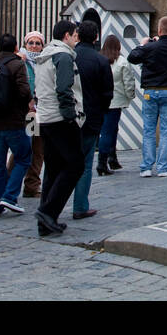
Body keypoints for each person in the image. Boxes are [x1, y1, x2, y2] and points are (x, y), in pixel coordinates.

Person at [34, 19, 84, 236]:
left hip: (45, 118)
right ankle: (47, 212)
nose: (76, 39)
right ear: (66, 36)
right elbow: (64, 89)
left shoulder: (43, 57)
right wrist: (70, 116)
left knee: (53, 168)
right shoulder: (62, 57)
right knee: (75, 165)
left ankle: (46, 220)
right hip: (59, 119)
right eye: (75, 35)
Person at [128, 16, 167, 177]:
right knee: (166, 131)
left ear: (159, 30)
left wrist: (145, 44)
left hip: (150, 92)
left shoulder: (149, 48)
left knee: (149, 129)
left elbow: (132, 57)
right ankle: (163, 168)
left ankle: (146, 167)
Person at [0, 33, 33, 217]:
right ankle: (10, 196)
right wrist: (29, 103)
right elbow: (24, 90)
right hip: (14, 122)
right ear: (15, 48)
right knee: (23, 158)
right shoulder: (17, 64)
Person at [68, 20, 112, 220]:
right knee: (85, 164)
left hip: (68, 117)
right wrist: (100, 113)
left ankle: (54, 204)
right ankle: (80, 206)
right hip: (91, 119)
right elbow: (107, 94)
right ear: (96, 37)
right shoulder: (101, 61)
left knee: (64, 162)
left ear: (77, 35)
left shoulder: (68, 57)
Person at [97, 35, 139, 174]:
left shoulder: (99, 60)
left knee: (109, 129)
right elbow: (128, 82)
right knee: (109, 131)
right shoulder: (121, 62)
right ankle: (103, 162)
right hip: (115, 101)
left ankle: (112, 158)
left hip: (100, 100)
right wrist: (130, 96)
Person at [16, 30, 47, 197]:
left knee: (38, 149)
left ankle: (32, 185)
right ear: (25, 44)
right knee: (24, 148)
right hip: (28, 112)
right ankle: (9, 182)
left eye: (38, 43)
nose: (34, 46)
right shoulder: (20, 61)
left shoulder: (44, 62)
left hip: (42, 111)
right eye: (31, 43)